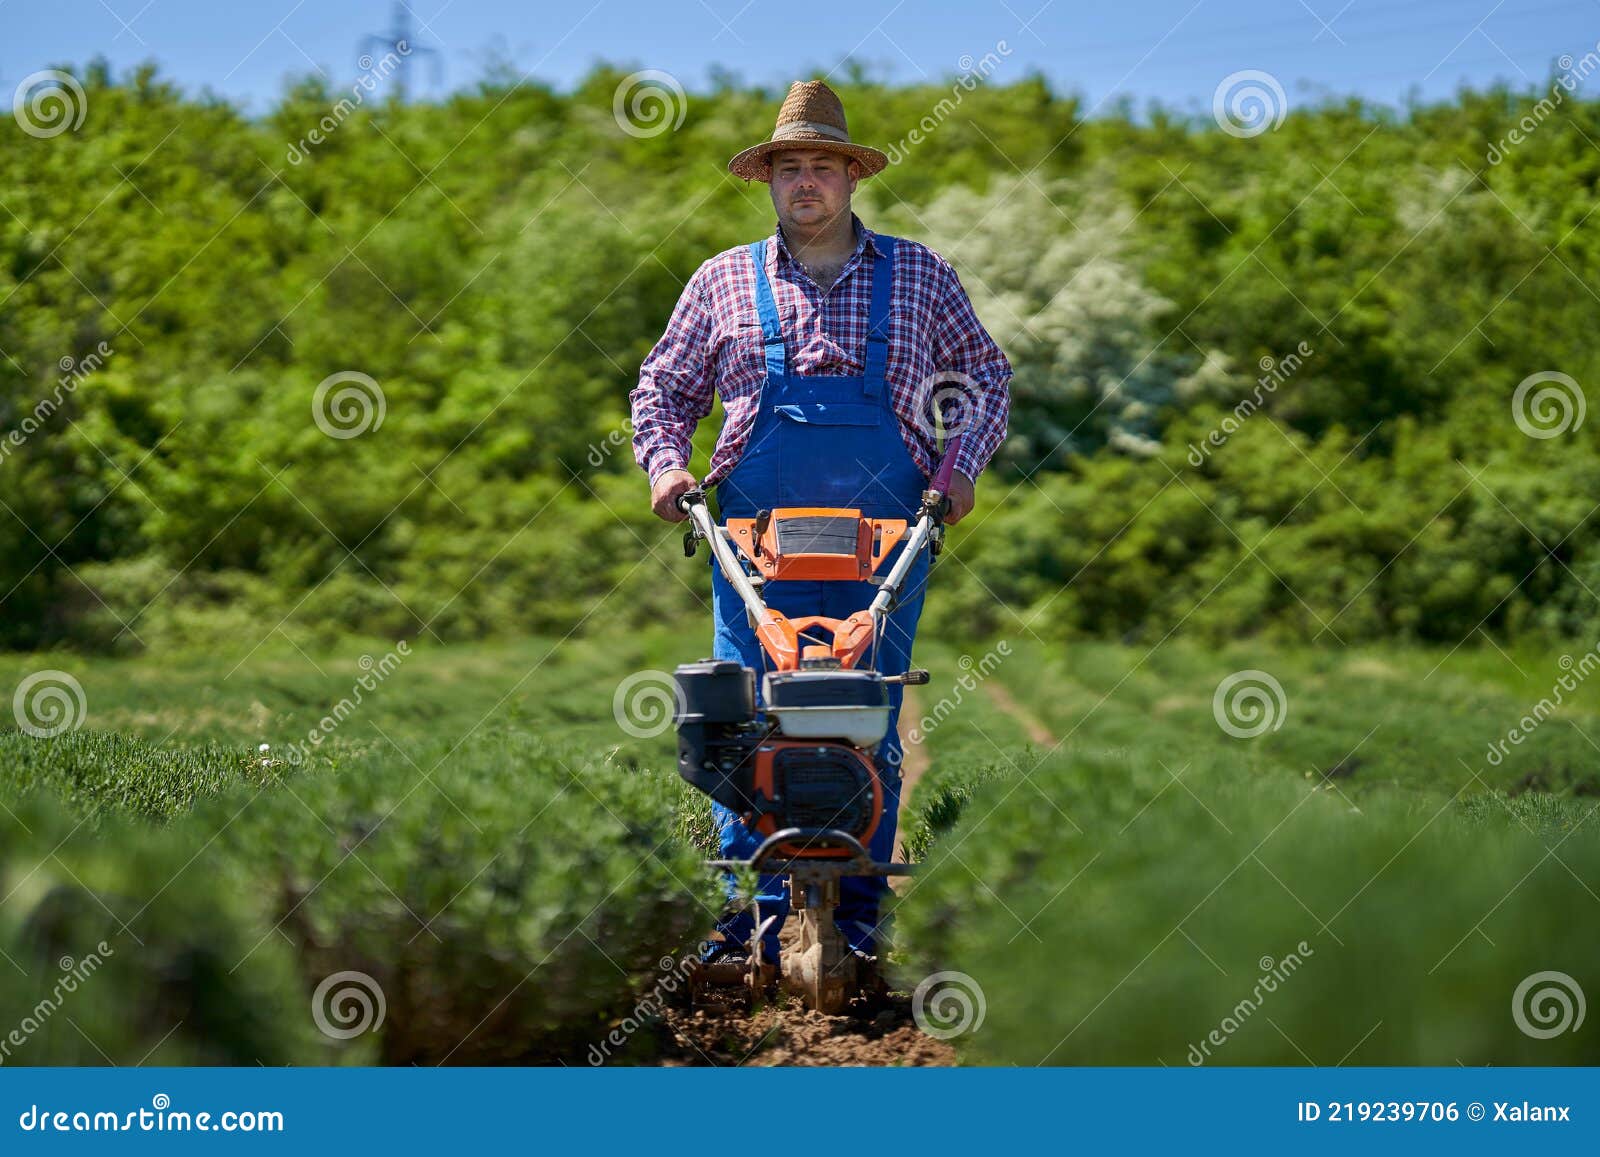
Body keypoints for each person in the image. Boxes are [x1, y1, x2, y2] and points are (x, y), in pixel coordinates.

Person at [629, 79, 1012, 969]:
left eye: (824, 166)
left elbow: (985, 378)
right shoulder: (721, 280)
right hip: (752, 542)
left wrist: (959, 471)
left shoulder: (920, 276)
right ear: (767, 179)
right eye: (790, 166)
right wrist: (666, 464)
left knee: (864, 707)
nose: (807, 182)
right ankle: (749, 916)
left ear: (852, 177)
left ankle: (863, 910)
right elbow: (662, 388)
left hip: (887, 536)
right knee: (743, 712)